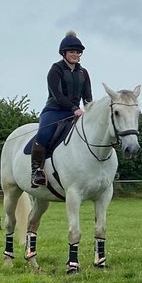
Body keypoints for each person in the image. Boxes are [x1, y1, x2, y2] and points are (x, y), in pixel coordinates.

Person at [31, 32, 93, 187]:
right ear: (64, 53)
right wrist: (73, 108)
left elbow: (87, 97)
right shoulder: (55, 70)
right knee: (43, 135)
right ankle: (37, 170)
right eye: (72, 52)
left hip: (75, 112)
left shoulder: (83, 73)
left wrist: (90, 110)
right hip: (54, 110)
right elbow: (57, 95)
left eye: (78, 52)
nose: (75, 55)